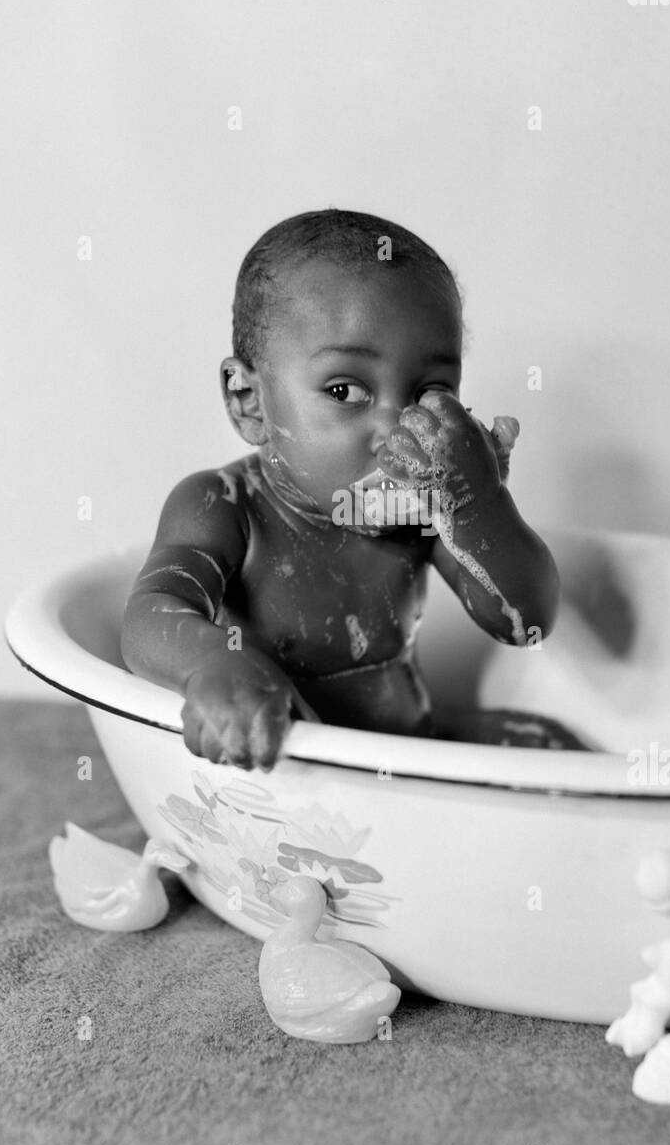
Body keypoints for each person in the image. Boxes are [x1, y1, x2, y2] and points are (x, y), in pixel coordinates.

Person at [121, 208, 583, 769]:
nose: (394, 424)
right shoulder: (223, 506)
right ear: (248, 400)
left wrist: (477, 506)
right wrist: (211, 662)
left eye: (430, 390)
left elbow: (527, 623)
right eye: (344, 389)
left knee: (553, 746)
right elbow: (151, 613)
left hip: (413, 752)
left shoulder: (417, 511)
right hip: (296, 774)